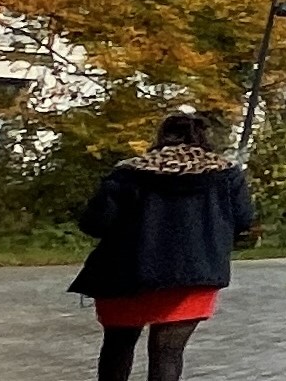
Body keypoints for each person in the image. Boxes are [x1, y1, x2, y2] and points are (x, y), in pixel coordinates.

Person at [68, 110, 255, 381]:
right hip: (195, 275)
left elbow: (94, 223)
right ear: (202, 136)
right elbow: (244, 219)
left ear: (161, 136)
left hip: (126, 275)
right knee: (168, 352)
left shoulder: (129, 173)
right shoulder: (226, 175)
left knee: (117, 348)